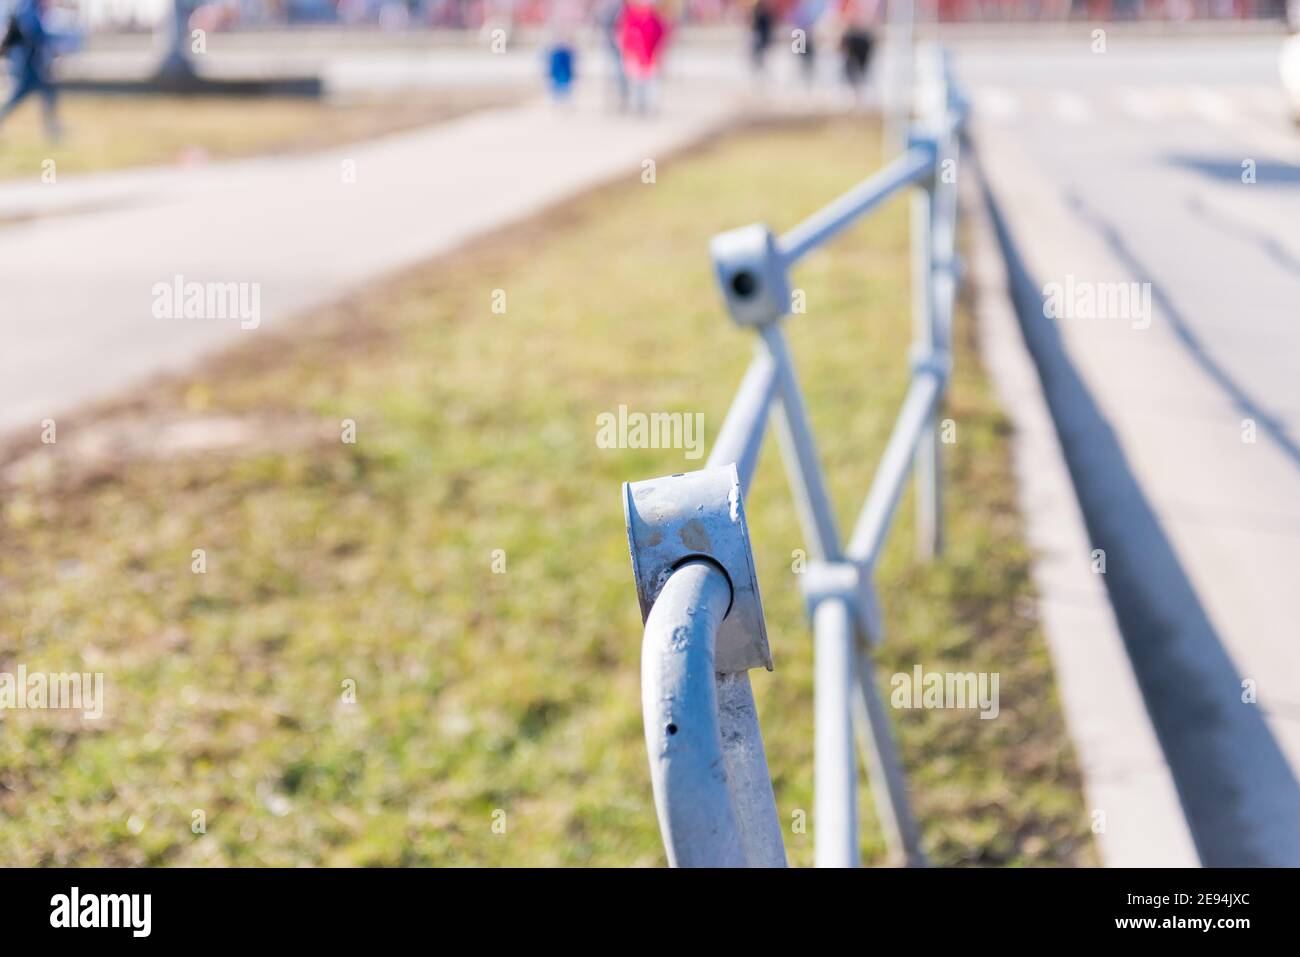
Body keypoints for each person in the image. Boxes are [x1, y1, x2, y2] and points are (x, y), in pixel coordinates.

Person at [0, 0, 60, 140]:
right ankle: (52, 129)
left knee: (46, 92)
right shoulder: (28, 5)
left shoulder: (28, 5)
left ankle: (52, 129)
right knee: (21, 93)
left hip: (30, 58)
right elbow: (32, 29)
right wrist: (47, 44)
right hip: (27, 59)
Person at [616, 0, 669, 115]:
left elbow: (660, 36)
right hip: (635, 56)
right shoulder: (630, 19)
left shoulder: (653, 19)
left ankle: (650, 106)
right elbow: (624, 37)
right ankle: (639, 106)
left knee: (650, 83)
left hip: (650, 54)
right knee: (637, 83)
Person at [838, 0, 879, 104]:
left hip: (865, 37)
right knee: (849, 65)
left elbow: (871, 17)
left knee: (862, 66)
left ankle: (861, 91)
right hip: (853, 35)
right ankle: (854, 92)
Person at [750, 0, 774, 74]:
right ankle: (758, 66)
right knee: (759, 53)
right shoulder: (759, 13)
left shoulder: (764, 14)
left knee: (761, 53)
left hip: (762, 36)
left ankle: (760, 66)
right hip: (761, 36)